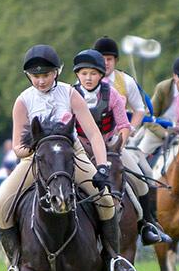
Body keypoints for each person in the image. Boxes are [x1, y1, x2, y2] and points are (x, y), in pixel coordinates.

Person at [0, 45, 133, 271]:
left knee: (106, 201)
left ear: (56, 72)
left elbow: (93, 133)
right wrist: (41, 149)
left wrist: (101, 167)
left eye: (46, 75)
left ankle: (115, 260)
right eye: (35, 76)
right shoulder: (23, 101)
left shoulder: (70, 94)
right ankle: (15, 266)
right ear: (28, 76)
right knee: (1, 205)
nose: (41, 80)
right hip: (35, 159)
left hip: (73, 155)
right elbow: (17, 147)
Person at [71, 49, 169, 244]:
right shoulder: (70, 94)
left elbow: (124, 126)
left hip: (110, 146)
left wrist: (117, 147)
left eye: (93, 73)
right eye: (84, 74)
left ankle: (148, 225)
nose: (88, 78)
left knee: (142, 181)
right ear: (77, 75)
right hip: (79, 147)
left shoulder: (113, 94)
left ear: (100, 75)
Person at [139, 55, 179, 155]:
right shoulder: (163, 88)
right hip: (158, 133)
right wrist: (165, 134)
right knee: (140, 155)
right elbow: (148, 117)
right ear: (174, 75)